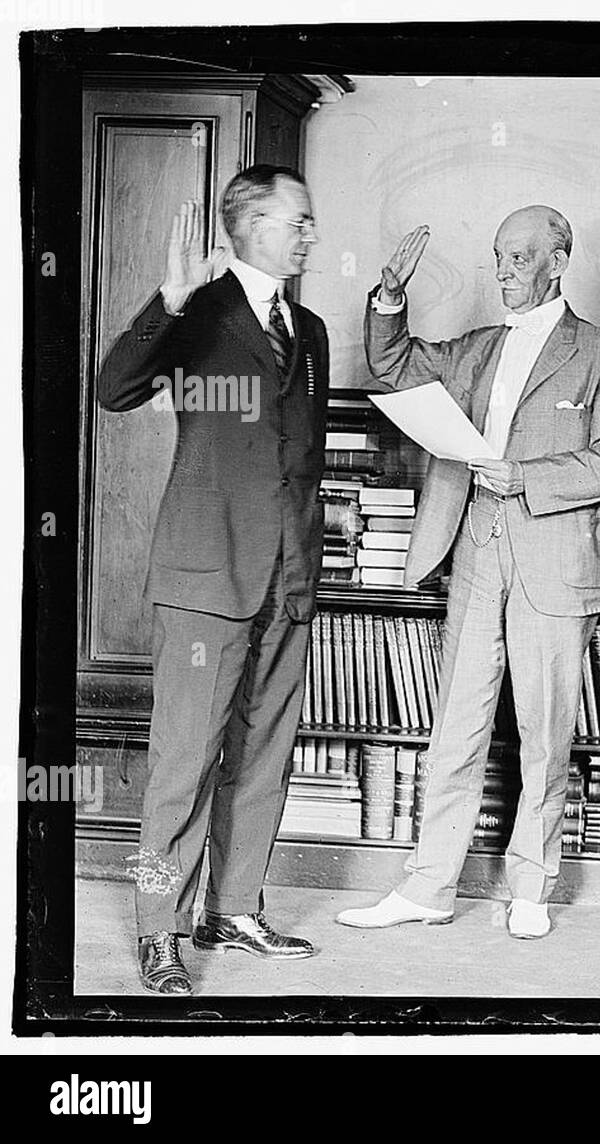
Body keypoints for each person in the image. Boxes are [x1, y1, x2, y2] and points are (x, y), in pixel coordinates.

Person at [336, 206, 600, 939]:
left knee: (544, 733)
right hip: (476, 550)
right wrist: (387, 300)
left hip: (553, 560)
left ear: (558, 261)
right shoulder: (479, 347)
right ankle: (429, 886)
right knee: (456, 727)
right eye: (498, 256)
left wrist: (525, 476)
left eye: (517, 258)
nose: (501, 271)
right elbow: (394, 365)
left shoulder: (598, 350)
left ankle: (531, 888)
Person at [97, 165, 329, 996]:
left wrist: (308, 571)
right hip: (205, 576)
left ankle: (233, 908)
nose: (309, 232)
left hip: (288, 577)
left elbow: (298, 459)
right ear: (251, 225)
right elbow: (114, 389)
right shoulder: (195, 312)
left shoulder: (309, 327)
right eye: (297, 219)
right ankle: (160, 927)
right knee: (184, 764)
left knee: (263, 756)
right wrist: (167, 297)